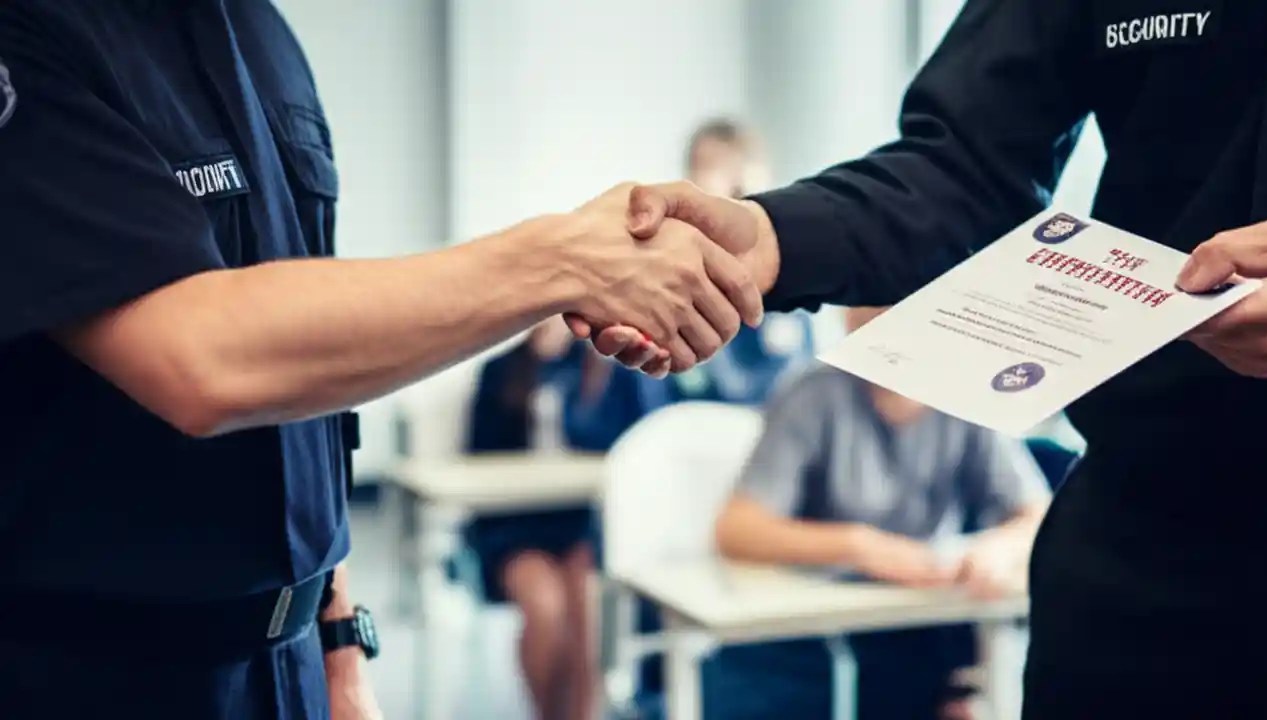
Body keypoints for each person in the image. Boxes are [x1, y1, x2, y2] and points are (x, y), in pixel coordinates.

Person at [0, 3, 762, 718]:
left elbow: (314, 391)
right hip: (92, 675)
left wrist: (340, 648)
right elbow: (202, 361)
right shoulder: (34, 31)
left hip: (290, 664)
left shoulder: (262, 35)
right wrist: (563, 259)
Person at [576, 1, 1267, 715]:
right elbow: (964, 164)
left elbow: (1018, 510)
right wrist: (771, 233)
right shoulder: (817, 400)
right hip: (1145, 544)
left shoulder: (959, 415)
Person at [705, 306, 1049, 720]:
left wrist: (996, 550)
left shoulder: (968, 397)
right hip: (813, 639)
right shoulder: (812, 394)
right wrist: (857, 546)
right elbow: (738, 529)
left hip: (925, 630)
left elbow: (1034, 513)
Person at [462, 320, 670, 720]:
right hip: (514, 525)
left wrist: (599, 363)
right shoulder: (500, 370)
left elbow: (623, 440)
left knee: (586, 610)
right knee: (545, 609)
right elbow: (477, 461)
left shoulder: (595, 365)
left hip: (577, 520)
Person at [673, 118, 815, 405]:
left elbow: (794, 381)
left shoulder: (787, 282)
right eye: (709, 168)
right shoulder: (676, 279)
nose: (724, 184)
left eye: (734, 169)